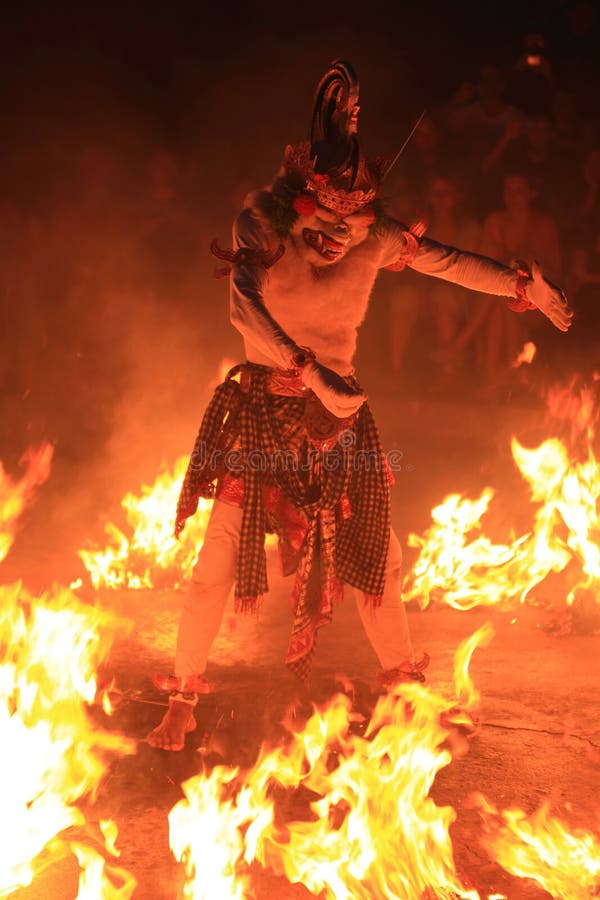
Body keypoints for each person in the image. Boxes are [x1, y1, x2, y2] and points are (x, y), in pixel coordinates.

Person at [147, 60, 573, 750]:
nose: (342, 236)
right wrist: (311, 374)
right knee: (215, 563)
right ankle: (184, 698)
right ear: (302, 200)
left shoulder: (375, 236)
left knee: (381, 556)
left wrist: (525, 287)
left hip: (339, 426)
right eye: (330, 219)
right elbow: (241, 306)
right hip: (264, 413)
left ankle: (403, 690)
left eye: (355, 223)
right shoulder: (262, 220)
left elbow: (451, 262)